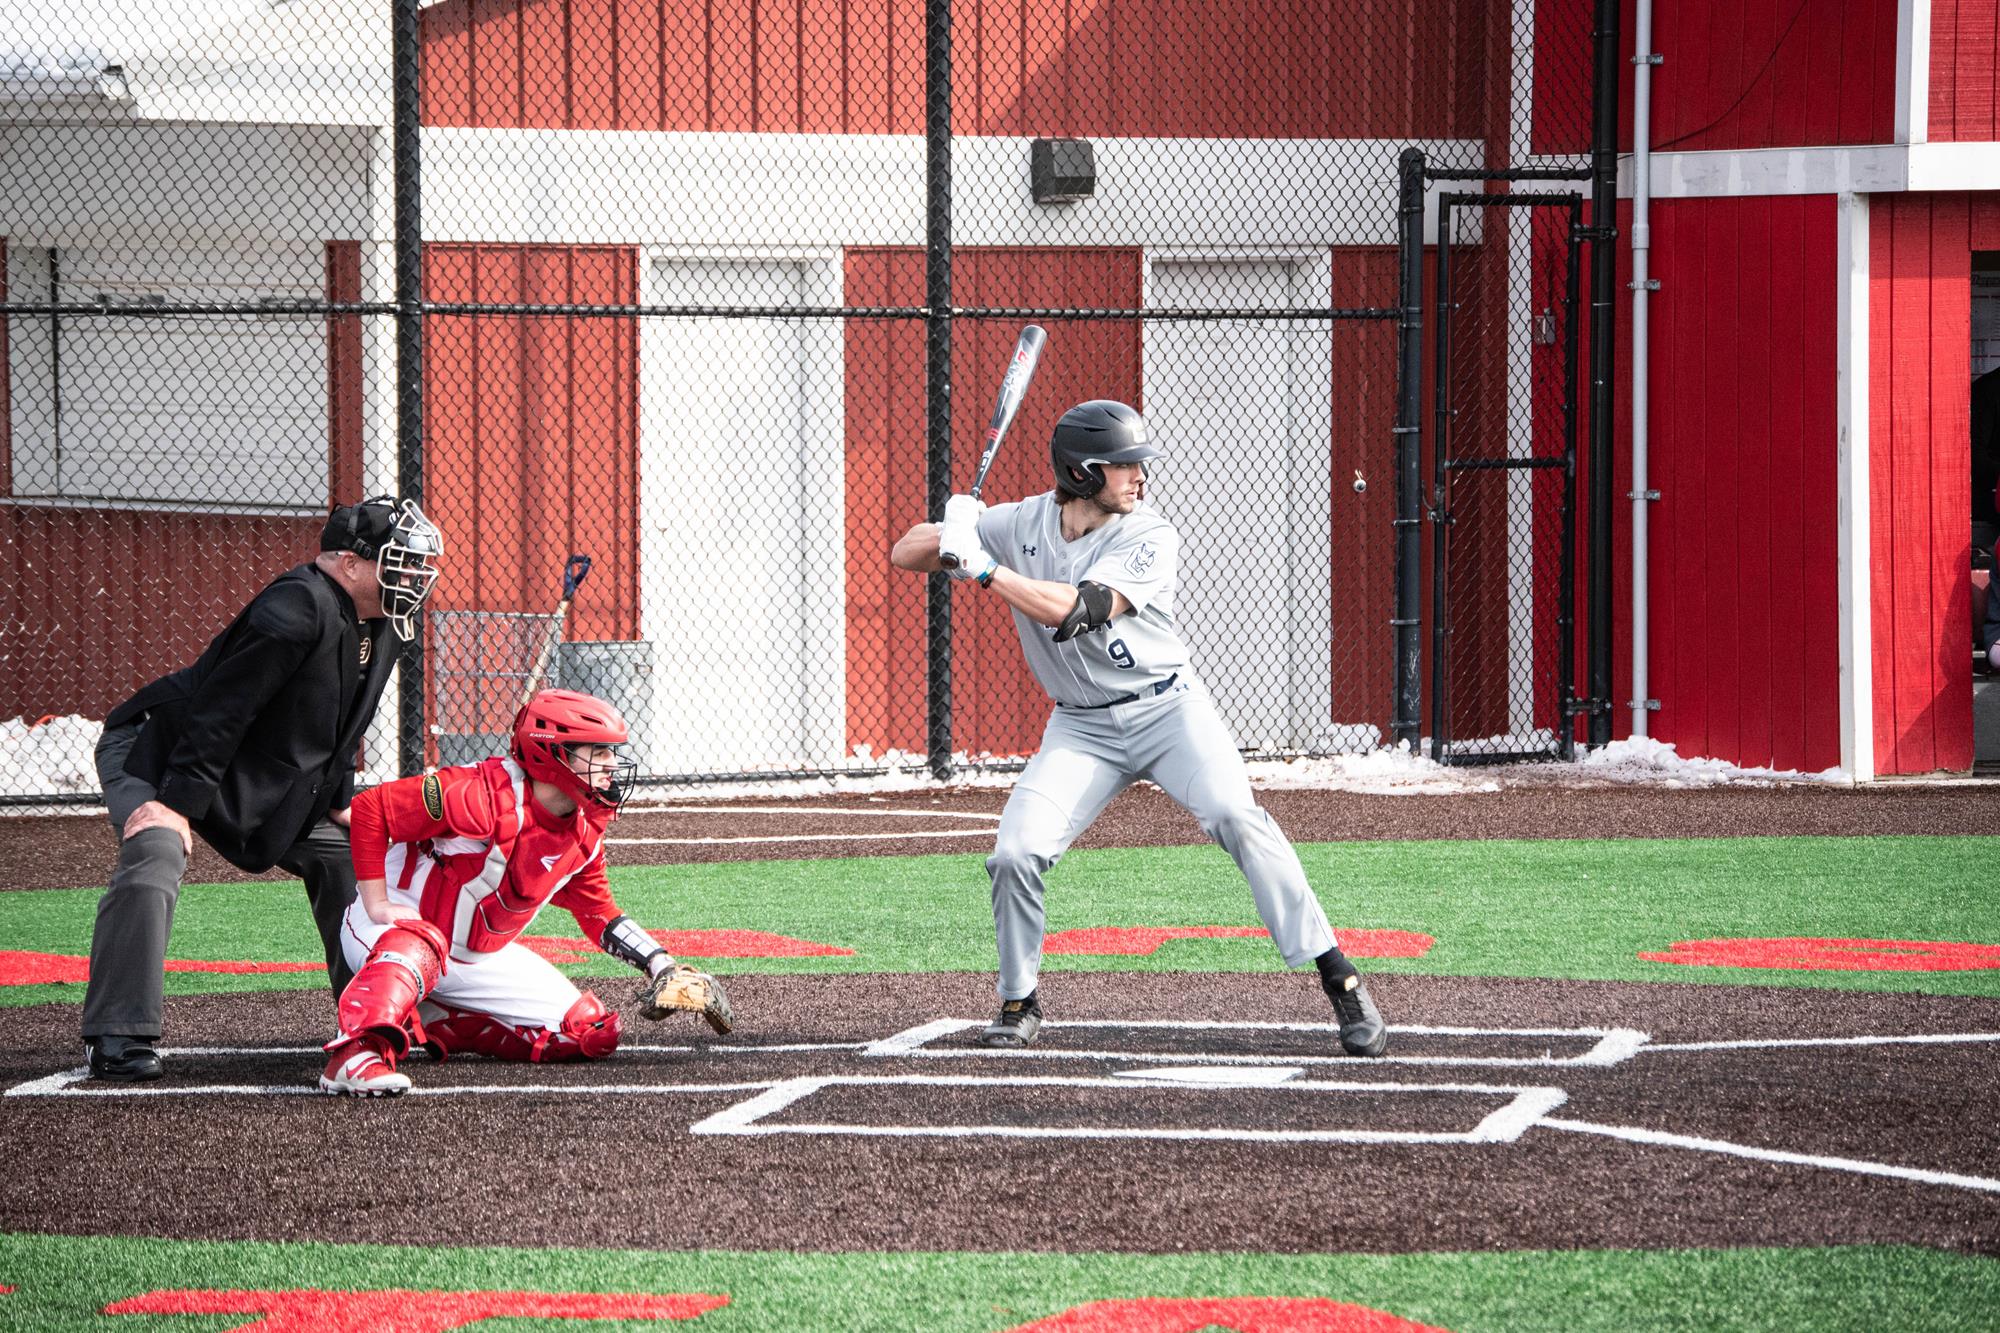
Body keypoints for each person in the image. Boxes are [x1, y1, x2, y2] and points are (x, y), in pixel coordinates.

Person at [888, 400, 1390, 1057]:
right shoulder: (1022, 521)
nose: (1138, 476)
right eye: (1122, 465)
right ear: (1082, 473)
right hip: (1081, 728)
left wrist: (984, 568)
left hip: (1168, 712)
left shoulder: (1149, 533)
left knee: (1238, 818)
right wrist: (954, 528)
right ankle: (1018, 999)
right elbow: (905, 552)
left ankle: (1340, 978)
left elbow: (1075, 611)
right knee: (1016, 851)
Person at [81, 496, 443, 1082]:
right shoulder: (295, 607)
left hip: (254, 769)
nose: (411, 578)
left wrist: (338, 802)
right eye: (397, 563)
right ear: (349, 563)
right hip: (166, 750)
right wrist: (175, 806)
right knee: (156, 850)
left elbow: (346, 722)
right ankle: (118, 1033)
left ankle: (372, 1012)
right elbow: (221, 713)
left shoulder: (384, 620)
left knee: (352, 854)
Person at [319, 688, 706, 1096]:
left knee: (589, 1031)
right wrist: (377, 903)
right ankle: (356, 1054)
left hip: (473, 956)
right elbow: (371, 810)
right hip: (393, 933)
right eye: (599, 753)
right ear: (553, 754)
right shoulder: (477, 793)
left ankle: (434, 1017)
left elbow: (601, 914)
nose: (613, 765)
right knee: (423, 943)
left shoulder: (584, 831)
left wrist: (661, 964)